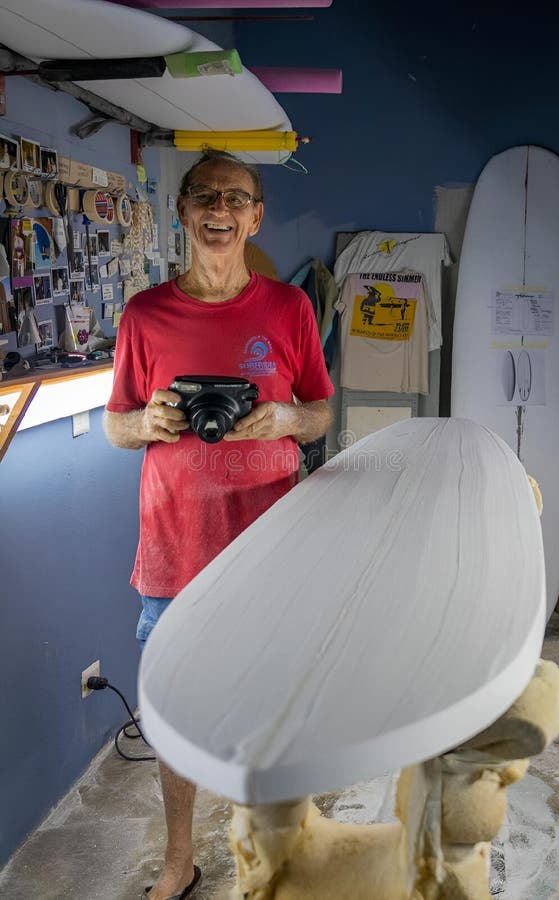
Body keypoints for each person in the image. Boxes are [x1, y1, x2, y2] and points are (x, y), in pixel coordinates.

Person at [103, 149, 333, 900]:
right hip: (175, 550)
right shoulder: (144, 315)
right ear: (183, 211)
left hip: (271, 551)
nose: (220, 209)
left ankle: (267, 854)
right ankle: (179, 860)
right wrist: (149, 420)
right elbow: (115, 427)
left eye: (236, 197)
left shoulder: (289, 311)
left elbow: (324, 411)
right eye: (205, 195)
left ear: (255, 215)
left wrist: (290, 417)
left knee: (272, 710)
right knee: (173, 713)